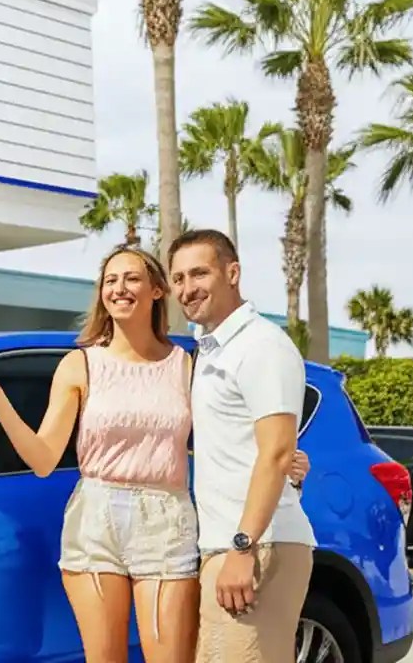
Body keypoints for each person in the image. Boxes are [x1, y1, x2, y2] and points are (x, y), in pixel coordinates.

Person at [0, 244, 308, 663]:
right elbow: (43, 460)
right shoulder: (80, 365)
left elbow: (226, 429)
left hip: (166, 522)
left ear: (156, 291)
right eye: (110, 281)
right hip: (94, 519)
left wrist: (287, 458)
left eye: (132, 278)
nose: (119, 288)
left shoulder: (188, 364)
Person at [167, 229, 317, 663]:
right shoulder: (212, 350)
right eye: (178, 278)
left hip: (256, 546)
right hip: (231, 546)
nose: (187, 288)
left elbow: (276, 451)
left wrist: (242, 547)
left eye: (199, 273)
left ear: (232, 273)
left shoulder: (261, 345)